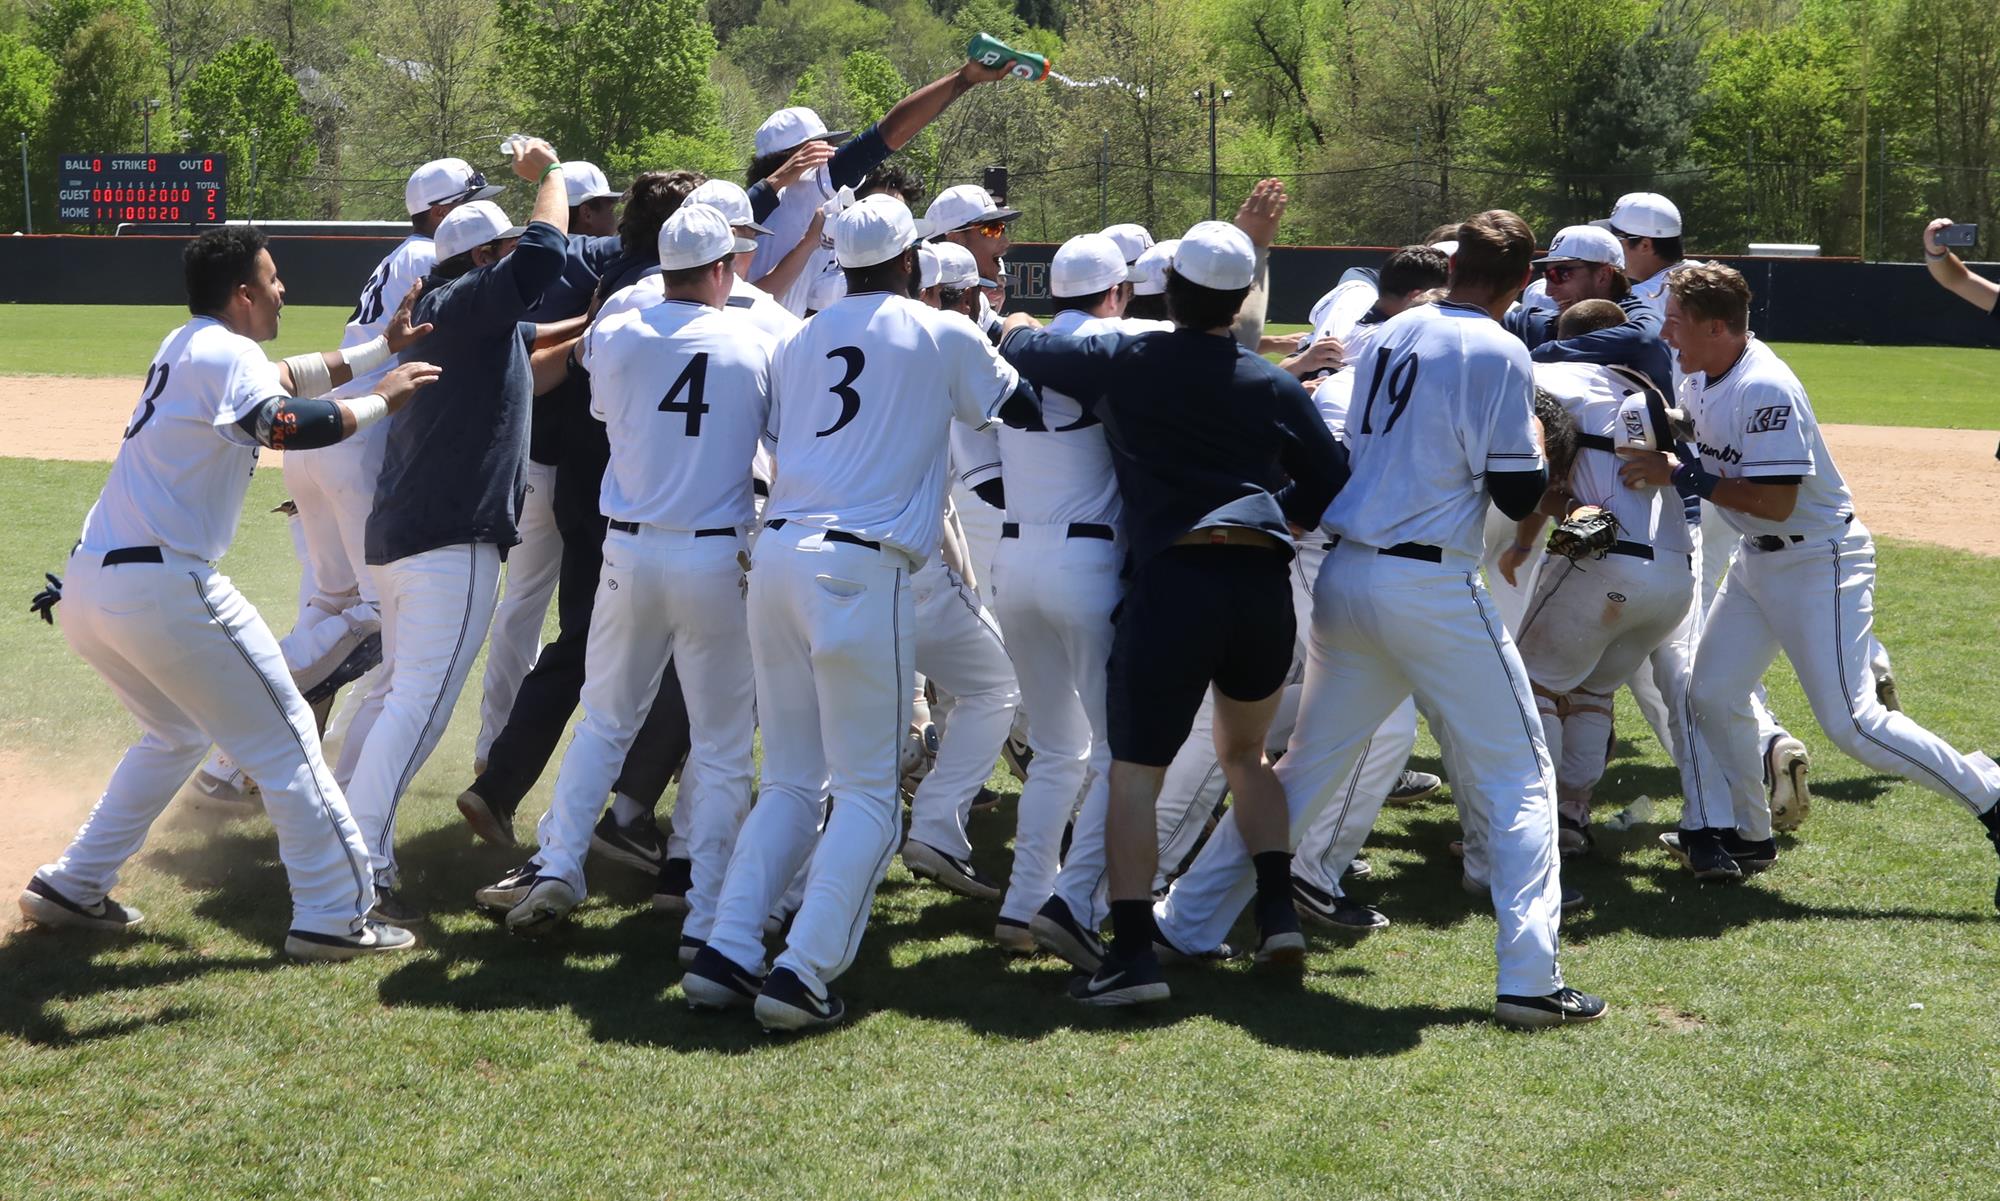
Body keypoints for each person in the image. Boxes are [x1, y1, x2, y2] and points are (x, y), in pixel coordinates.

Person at [1154, 210, 1607, 1029]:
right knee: (1519, 773)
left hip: (1348, 570)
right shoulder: (1498, 345)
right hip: (1426, 578)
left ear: (1456, 261)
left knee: (1305, 765)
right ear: (1522, 278)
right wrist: (1538, 444)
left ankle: (1187, 921)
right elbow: (1513, 493)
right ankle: (1530, 978)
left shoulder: (1392, 330)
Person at [19, 226, 439, 959]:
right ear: (243, 293)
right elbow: (280, 421)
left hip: (93, 582)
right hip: (164, 585)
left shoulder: (189, 345)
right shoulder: (226, 352)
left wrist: (380, 349)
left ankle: (72, 881)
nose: (285, 291)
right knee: (286, 742)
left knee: (176, 733)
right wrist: (380, 398)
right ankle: (333, 916)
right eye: (273, 280)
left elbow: (287, 378)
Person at [681, 194, 1034, 1031]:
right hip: (860, 568)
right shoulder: (940, 328)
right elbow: (1015, 406)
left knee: (796, 780)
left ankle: (728, 948)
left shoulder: (801, 338)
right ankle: (802, 973)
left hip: (776, 559)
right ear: (911, 262)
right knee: (870, 795)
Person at [998, 202, 1351, 1008]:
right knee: (1248, 755)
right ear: (1239, 301)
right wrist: (1271, 509)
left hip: (1176, 577)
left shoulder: (1133, 361)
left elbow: (1036, 349)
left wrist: (1013, 326)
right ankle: (1275, 910)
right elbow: (1331, 478)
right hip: (1260, 579)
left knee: (1134, 771)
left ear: (1172, 286)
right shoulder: (1268, 378)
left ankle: (1130, 956)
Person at [1619, 263, 2000, 890]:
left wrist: (1677, 472)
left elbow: (1776, 503)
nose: (1666, 332)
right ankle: (1749, 834)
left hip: (1818, 558)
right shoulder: (1702, 372)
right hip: (1758, 560)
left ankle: (1990, 797)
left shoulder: (1764, 386)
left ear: (1717, 326)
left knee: (1854, 725)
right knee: (1710, 692)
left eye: (1677, 320)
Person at [472, 204, 772, 950]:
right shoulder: (758, 338)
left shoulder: (617, 330)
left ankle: (560, 862)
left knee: (605, 718)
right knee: (724, 742)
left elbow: (604, 408)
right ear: (721, 268)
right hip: (714, 555)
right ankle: (704, 910)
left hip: (629, 551)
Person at [188, 157, 502, 807]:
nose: (482, 234)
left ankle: (247, 763)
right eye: (470, 206)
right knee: (376, 625)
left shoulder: (401, 255)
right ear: (442, 212)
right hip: (358, 440)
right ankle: (237, 751)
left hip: (324, 444)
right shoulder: (431, 260)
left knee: (332, 613)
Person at [341, 137, 571, 920]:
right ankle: (359, 863)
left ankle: (343, 830)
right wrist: (552, 176)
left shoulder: (454, 310)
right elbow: (543, 255)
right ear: (485, 259)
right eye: (501, 250)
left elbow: (533, 350)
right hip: (450, 540)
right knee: (421, 706)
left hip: (405, 534)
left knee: (400, 692)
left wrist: (599, 321)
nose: (514, 261)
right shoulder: (474, 297)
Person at [743, 57, 1011, 316]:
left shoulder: (758, 208)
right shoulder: (804, 188)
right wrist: (964, 78)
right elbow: (887, 134)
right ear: (797, 156)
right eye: (821, 146)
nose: (832, 152)